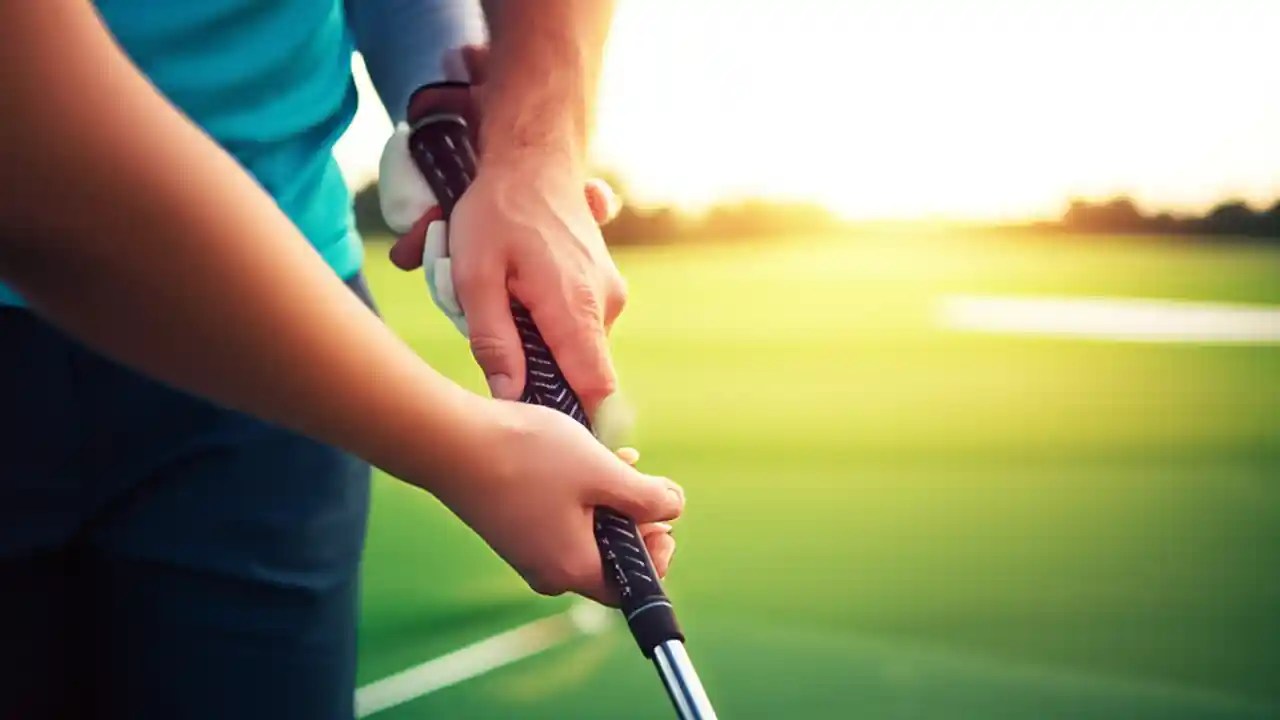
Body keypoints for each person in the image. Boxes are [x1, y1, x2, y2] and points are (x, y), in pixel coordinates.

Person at [0, 1, 679, 718]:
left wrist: (523, 147)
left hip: (284, 361)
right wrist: (473, 453)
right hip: (261, 330)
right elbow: (28, 142)